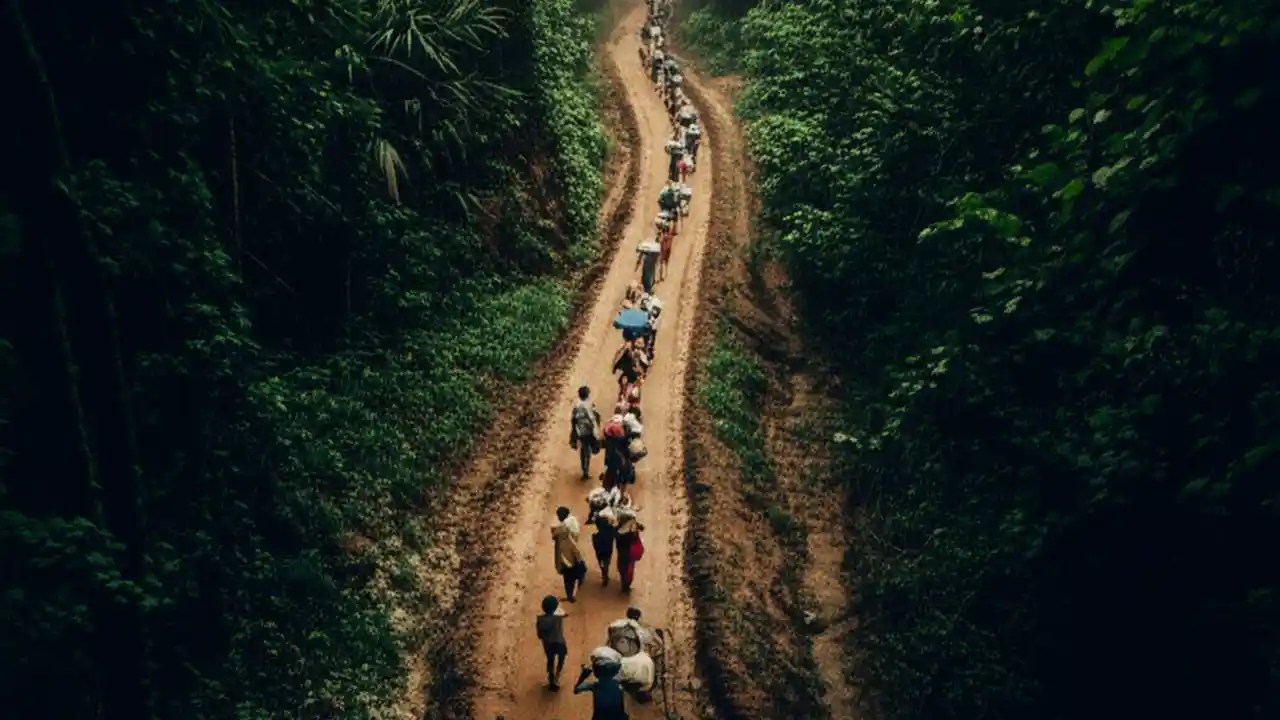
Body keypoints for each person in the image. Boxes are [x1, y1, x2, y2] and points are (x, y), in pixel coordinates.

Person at [553, 506, 586, 601]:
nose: (558, 518)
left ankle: (570, 595)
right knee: (575, 571)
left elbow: (556, 534)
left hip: (566, 555)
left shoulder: (564, 529)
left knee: (568, 577)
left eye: (559, 516)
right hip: (574, 552)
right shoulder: (573, 522)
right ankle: (574, 588)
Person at [536, 595, 568, 689]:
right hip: (559, 642)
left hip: (548, 644)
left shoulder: (540, 619)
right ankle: (557, 677)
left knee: (550, 660)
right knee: (561, 659)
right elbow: (565, 614)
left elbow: (539, 635)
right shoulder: (558, 616)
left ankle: (551, 677)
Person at [570, 385, 602, 480]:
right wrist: (596, 430)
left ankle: (585, 471)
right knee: (591, 450)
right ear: (587, 395)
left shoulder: (576, 406)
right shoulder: (590, 405)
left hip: (581, 432)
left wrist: (574, 433)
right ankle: (586, 471)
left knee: (584, 451)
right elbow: (595, 418)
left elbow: (573, 420)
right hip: (589, 431)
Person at [586, 493, 618, 586]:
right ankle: (605, 571)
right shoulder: (609, 515)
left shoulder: (595, 517)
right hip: (608, 539)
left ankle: (603, 570)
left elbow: (590, 523)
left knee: (600, 556)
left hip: (598, 539)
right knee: (607, 557)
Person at [615, 505, 645, 592]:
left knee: (622, 568)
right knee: (629, 569)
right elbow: (642, 528)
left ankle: (624, 584)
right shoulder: (632, 529)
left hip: (622, 552)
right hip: (628, 552)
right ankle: (626, 585)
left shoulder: (618, 529)